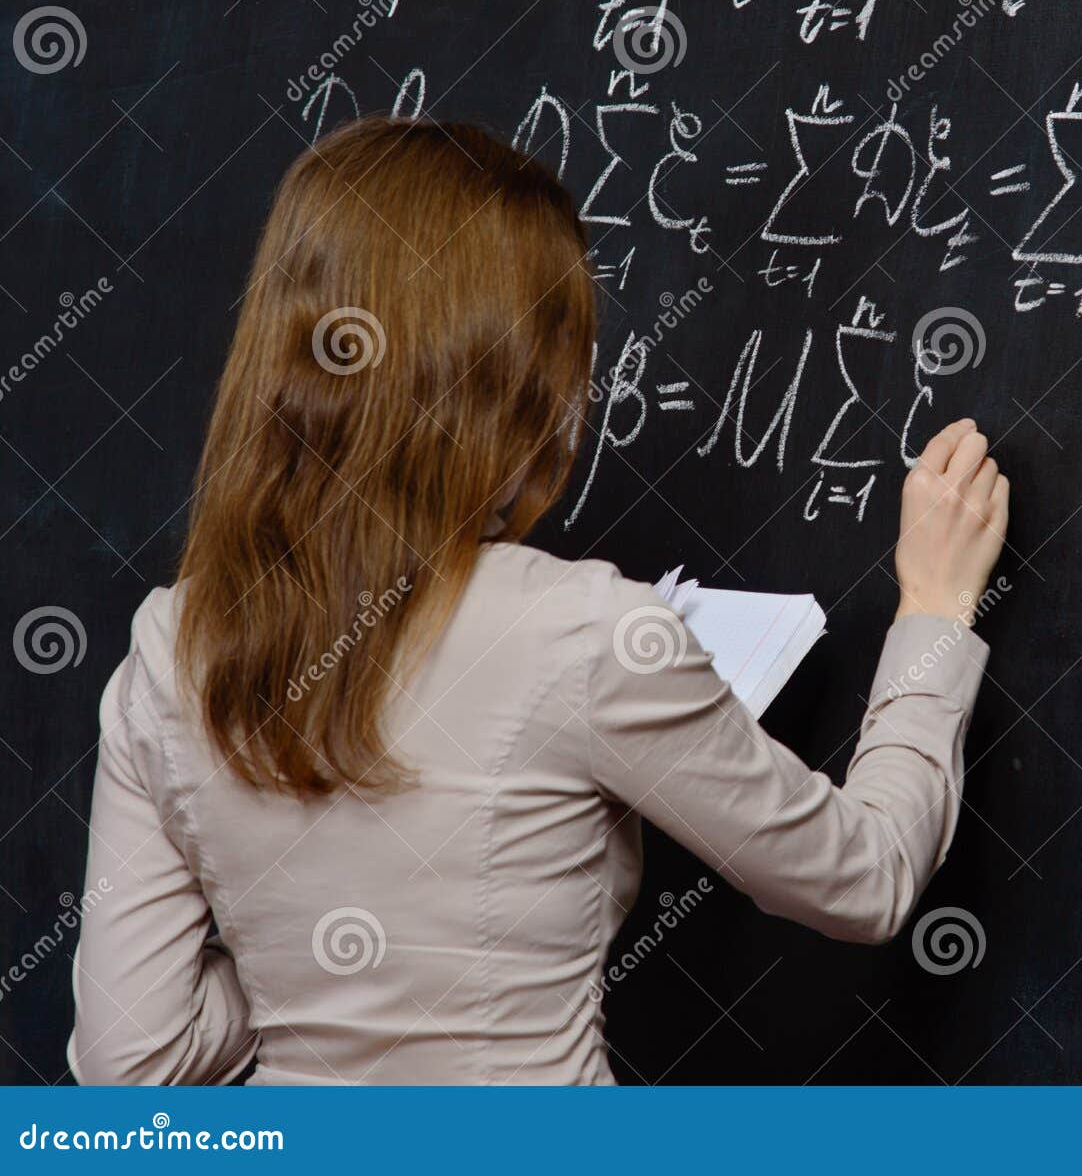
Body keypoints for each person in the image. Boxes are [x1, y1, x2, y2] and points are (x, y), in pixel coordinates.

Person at [68, 117, 1009, 1085]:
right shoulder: (589, 635)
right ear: (519, 377)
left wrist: (300, 965)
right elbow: (865, 879)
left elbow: (130, 1063)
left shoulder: (171, 646)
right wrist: (933, 617)